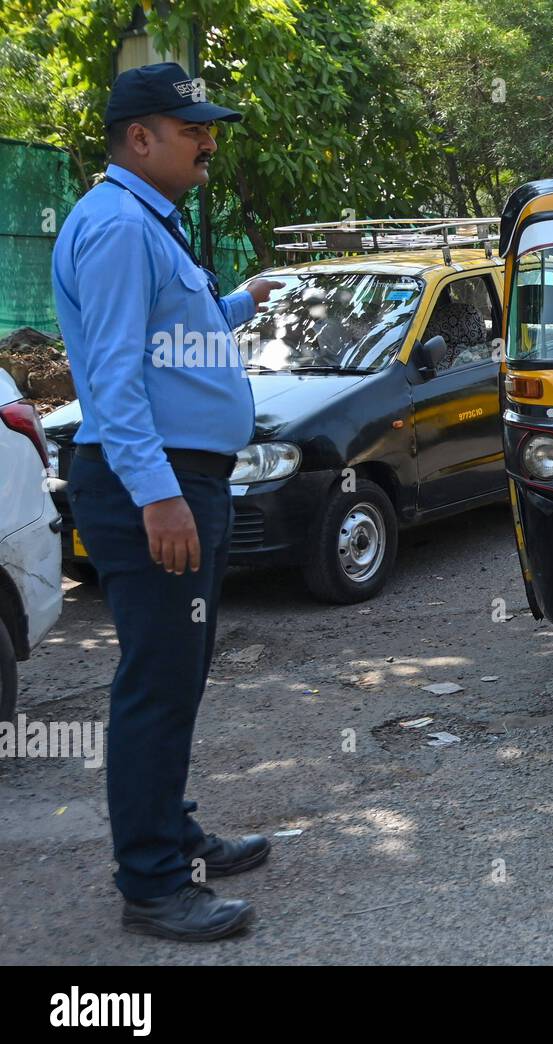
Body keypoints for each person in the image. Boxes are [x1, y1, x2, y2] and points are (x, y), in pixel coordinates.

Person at [53, 63, 281, 939]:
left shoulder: (149, 223)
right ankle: (152, 884)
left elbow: (165, 343)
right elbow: (111, 377)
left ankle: (173, 836)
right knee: (156, 679)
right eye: (192, 130)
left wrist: (238, 304)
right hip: (155, 482)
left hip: (185, 477)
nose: (209, 141)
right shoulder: (116, 227)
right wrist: (159, 498)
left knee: (177, 674)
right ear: (139, 137)